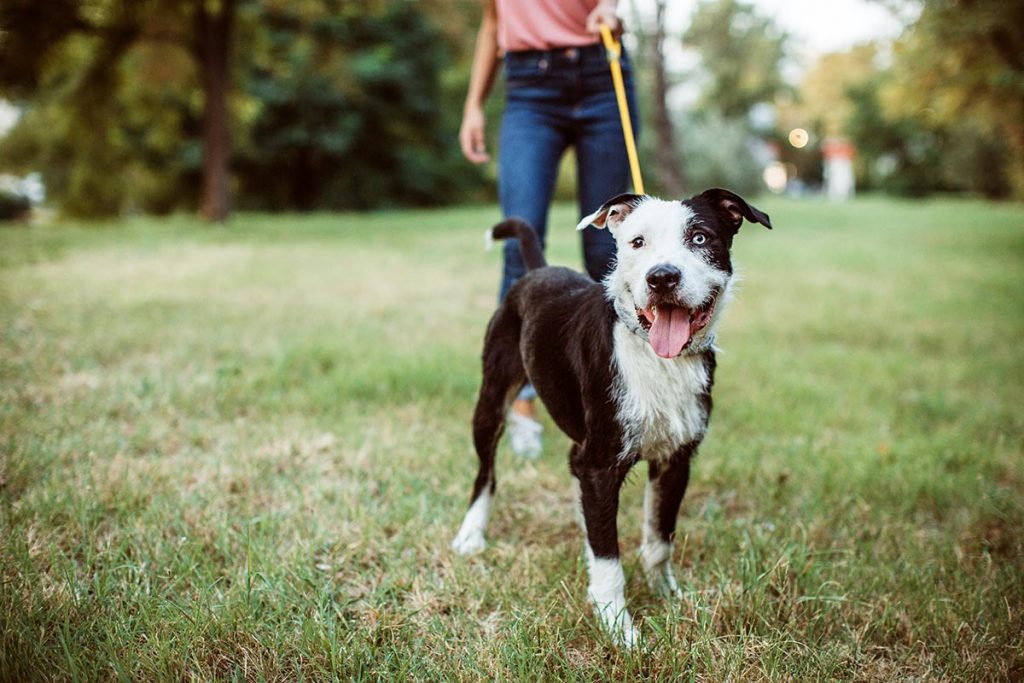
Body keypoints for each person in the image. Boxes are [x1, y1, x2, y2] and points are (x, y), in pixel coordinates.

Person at [460, 0, 638, 458]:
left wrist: (611, 11)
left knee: (607, 249)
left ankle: (621, 390)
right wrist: (473, 106)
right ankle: (521, 402)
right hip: (529, 88)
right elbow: (492, 21)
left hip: (601, 72)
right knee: (520, 249)